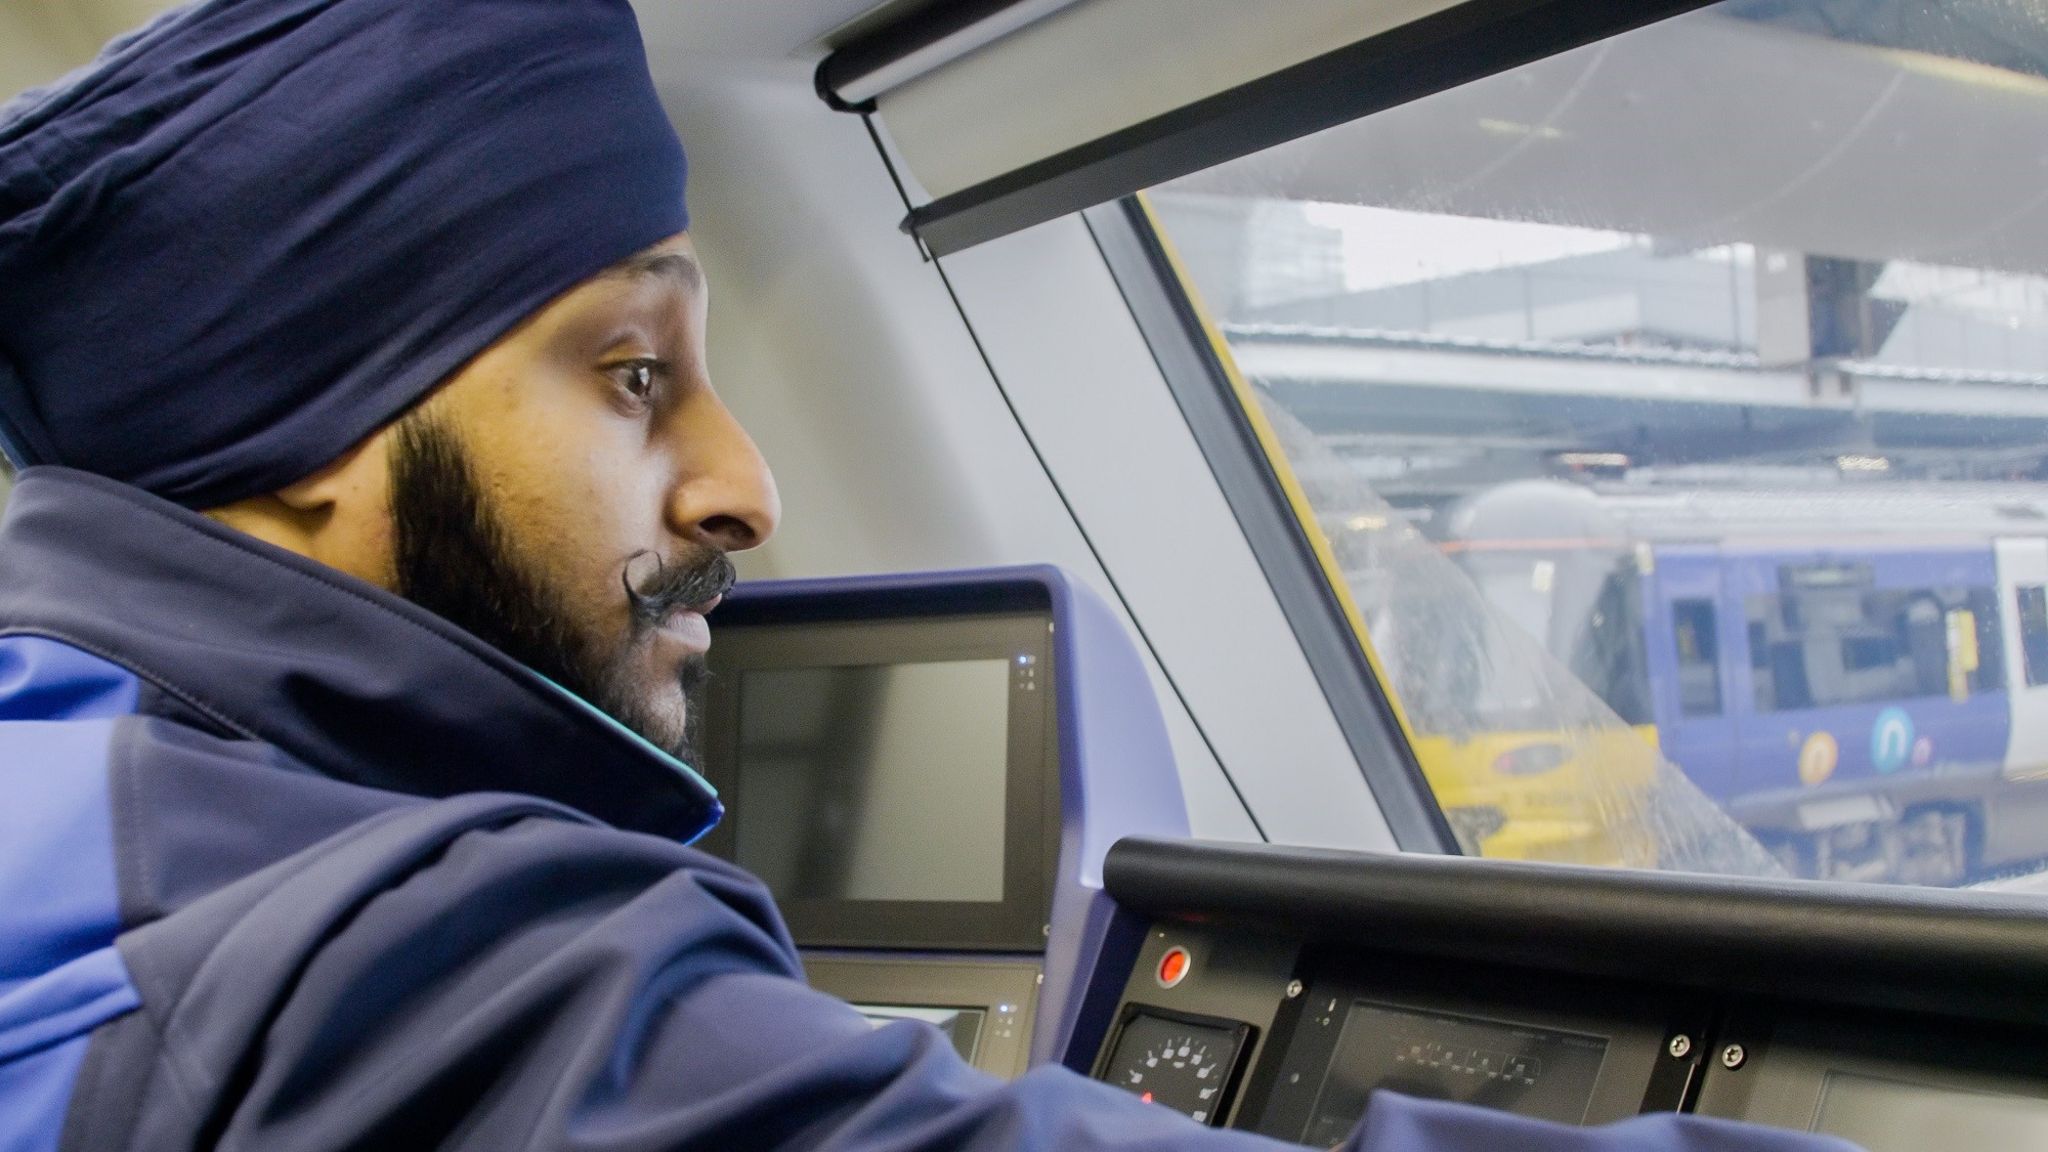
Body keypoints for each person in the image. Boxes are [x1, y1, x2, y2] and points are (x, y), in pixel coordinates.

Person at [0, 2, 1861, 1150]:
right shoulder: (390, 977)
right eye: (632, 375)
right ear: (314, 430)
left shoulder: (77, 777)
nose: (745, 484)